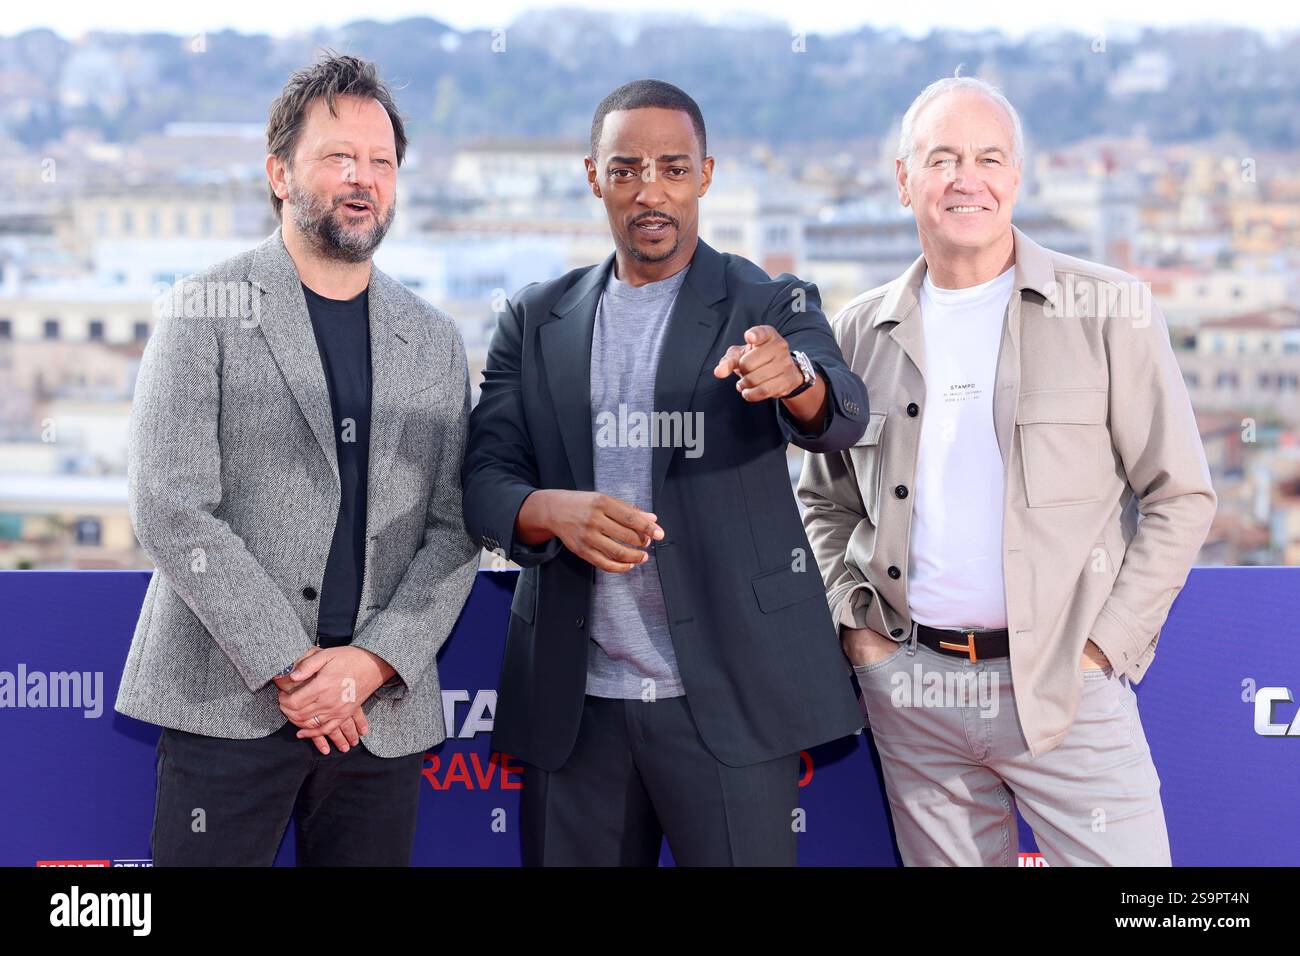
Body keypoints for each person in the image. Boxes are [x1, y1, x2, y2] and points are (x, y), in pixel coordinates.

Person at [798, 75, 1217, 866]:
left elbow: (1180, 493)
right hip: (913, 694)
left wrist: (1103, 649)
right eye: (943, 158)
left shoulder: (1109, 310)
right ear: (903, 179)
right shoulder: (855, 334)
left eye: (989, 158)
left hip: (1066, 694)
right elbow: (824, 503)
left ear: (1016, 177)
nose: (967, 179)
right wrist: (858, 631)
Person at [462, 79, 869, 866]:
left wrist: (796, 381)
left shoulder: (769, 299)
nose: (651, 191)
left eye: (673, 169)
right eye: (627, 169)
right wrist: (550, 510)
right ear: (594, 177)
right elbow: (483, 479)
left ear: (706, 175)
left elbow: (843, 412)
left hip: (732, 701)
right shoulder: (533, 317)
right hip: (575, 712)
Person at [115, 54, 479, 866]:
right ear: (279, 172)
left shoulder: (433, 339)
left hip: (379, 720)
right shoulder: (201, 309)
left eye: (381, 163)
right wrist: (296, 667)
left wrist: (371, 664)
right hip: (228, 702)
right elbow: (172, 507)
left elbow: (458, 529)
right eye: (338, 157)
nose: (363, 179)